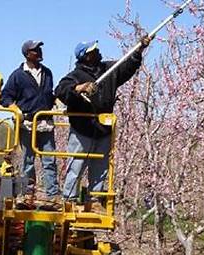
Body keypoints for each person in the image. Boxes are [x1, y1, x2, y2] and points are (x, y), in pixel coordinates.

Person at [54, 36, 152, 213]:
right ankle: (69, 200)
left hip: (103, 129)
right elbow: (61, 90)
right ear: (86, 56)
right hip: (82, 129)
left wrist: (138, 51)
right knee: (75, 166)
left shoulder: (109, 69)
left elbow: (127, 67)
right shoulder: (75, 76)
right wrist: (80, 88)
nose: (98, 51)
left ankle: (96, 199)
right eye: (93, 50)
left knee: (100, 168)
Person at [0, 39, 60, 207]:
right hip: (27, 123)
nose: (39, 52)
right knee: (27, 160)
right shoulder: (18, 75)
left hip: (45, 122)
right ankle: (27, 195)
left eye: (40, 49)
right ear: (27, 54)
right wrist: (14, 108)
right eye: (35, 50)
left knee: (50, 160)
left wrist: (56, 100)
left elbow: (48, 94)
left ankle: (52, 195)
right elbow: (5, 96)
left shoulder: (47, 73)